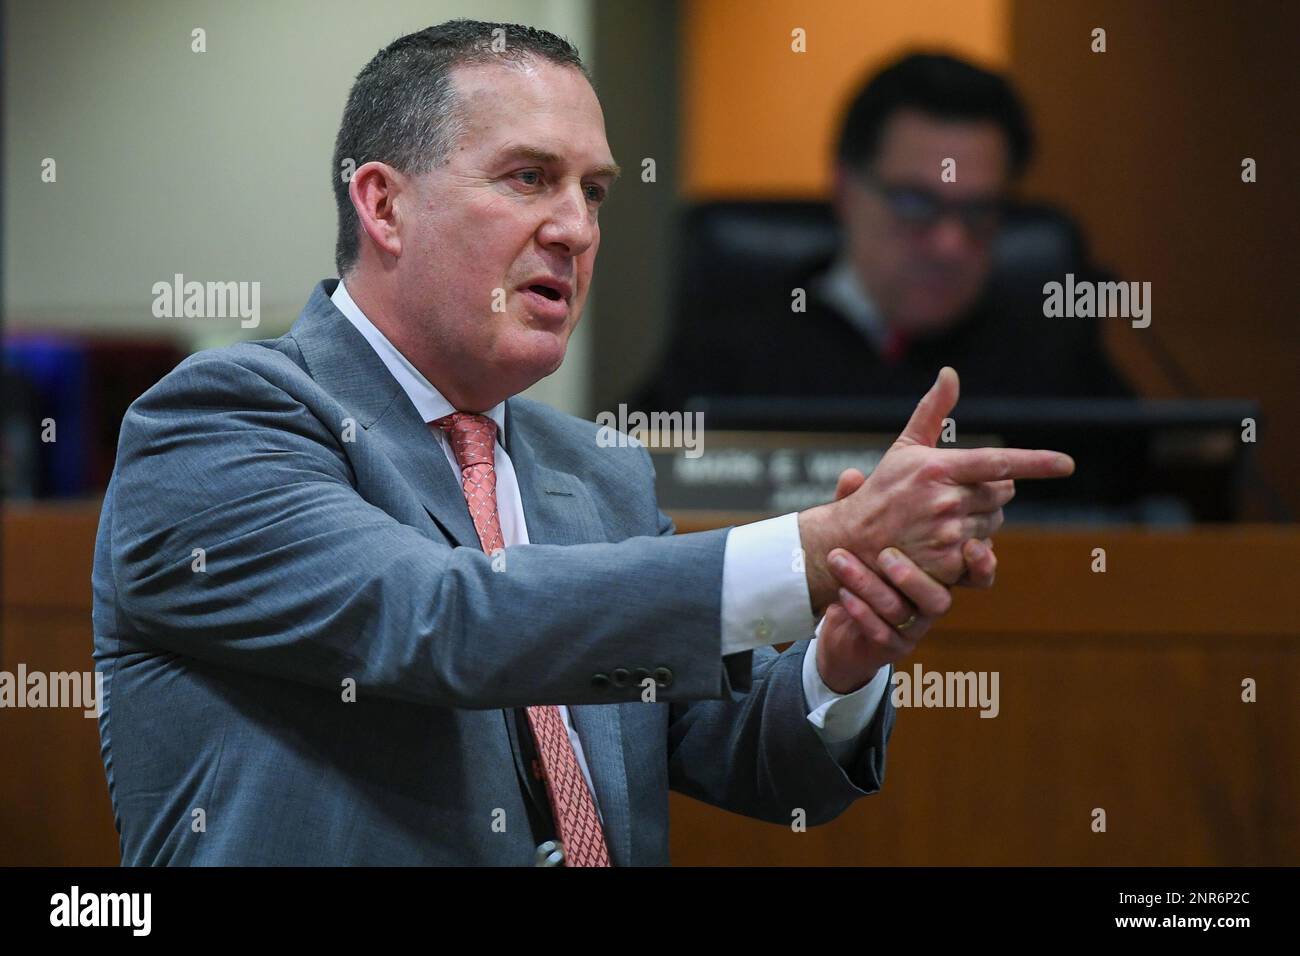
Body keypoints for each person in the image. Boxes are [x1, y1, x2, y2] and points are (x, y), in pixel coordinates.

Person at [91, 21, 1072, 866]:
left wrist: (843, 652)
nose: (574, 227)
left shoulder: (595, 472)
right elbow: (443, 619)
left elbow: (757, 762)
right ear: (384, 205)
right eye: (529, 179)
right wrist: (812, 549)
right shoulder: (217, 422)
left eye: (594, 192)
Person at [639, 52, 1133, 409]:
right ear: (845, 189)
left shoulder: (1052, 356)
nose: (949, 244)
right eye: (917, 203)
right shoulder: (734, 348)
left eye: (979, 211)